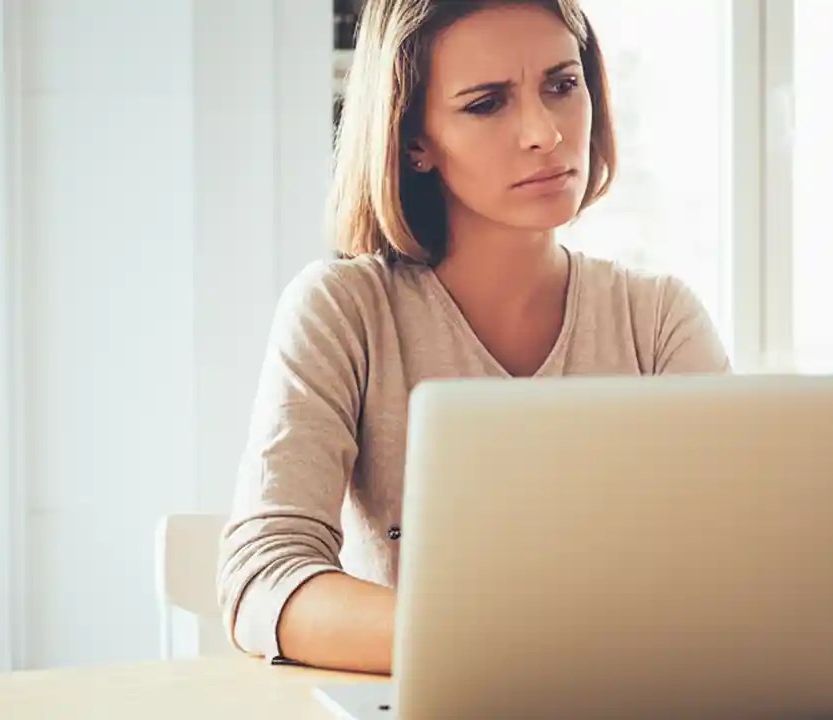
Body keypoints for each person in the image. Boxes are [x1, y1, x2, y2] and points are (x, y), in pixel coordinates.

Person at [217, 0, 730, 674]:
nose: (544, 132)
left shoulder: (658, 318)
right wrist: (502, 647)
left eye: (561, 85)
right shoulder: (343, 312)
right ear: (414, 141)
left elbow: (733, 559)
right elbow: (261, 579)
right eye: (487, 104)